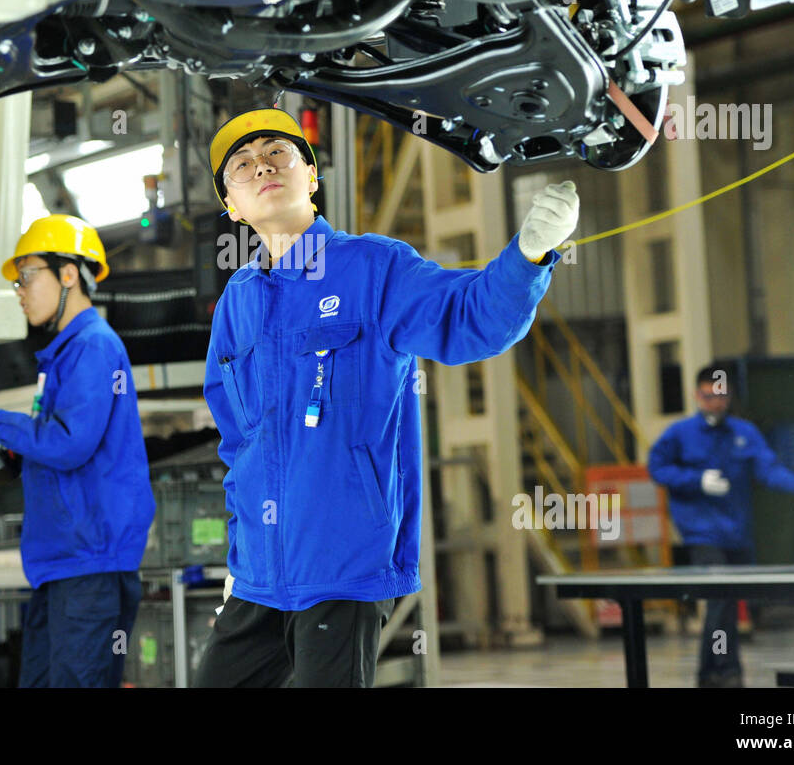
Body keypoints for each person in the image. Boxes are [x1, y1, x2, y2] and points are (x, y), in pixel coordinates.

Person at [194, 108, 578, 687]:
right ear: (232, 206)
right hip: (257, 576)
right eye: (242, 166)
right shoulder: (236, 301)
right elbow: (238, 446)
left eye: (278, 152)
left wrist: (528, 255)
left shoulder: (371, 268)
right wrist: (238, 555)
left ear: (312, 176)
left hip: (342, 563)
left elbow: (467, 317)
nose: (263, 166)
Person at [0, 214, 155, 688]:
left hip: (90, 564)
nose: (20, 290)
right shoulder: (62, 355)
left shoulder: (93, 347)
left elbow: (69, 444)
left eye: (28, 276)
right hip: (64, 563)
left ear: (69, 274)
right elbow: (53, 444)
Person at [648, 363, 794, 688]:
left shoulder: (744, 434)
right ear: (696, 395)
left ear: (729, 396)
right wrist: (695, 479)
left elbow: (768, 470)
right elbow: (657, 469)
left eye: (721, 396)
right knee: (718, 600)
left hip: (737, 533)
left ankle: (728, 671)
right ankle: (714, 673)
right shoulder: (679, 434)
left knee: (730, 601)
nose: (715, 402)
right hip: (703, 534)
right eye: (708, 396)